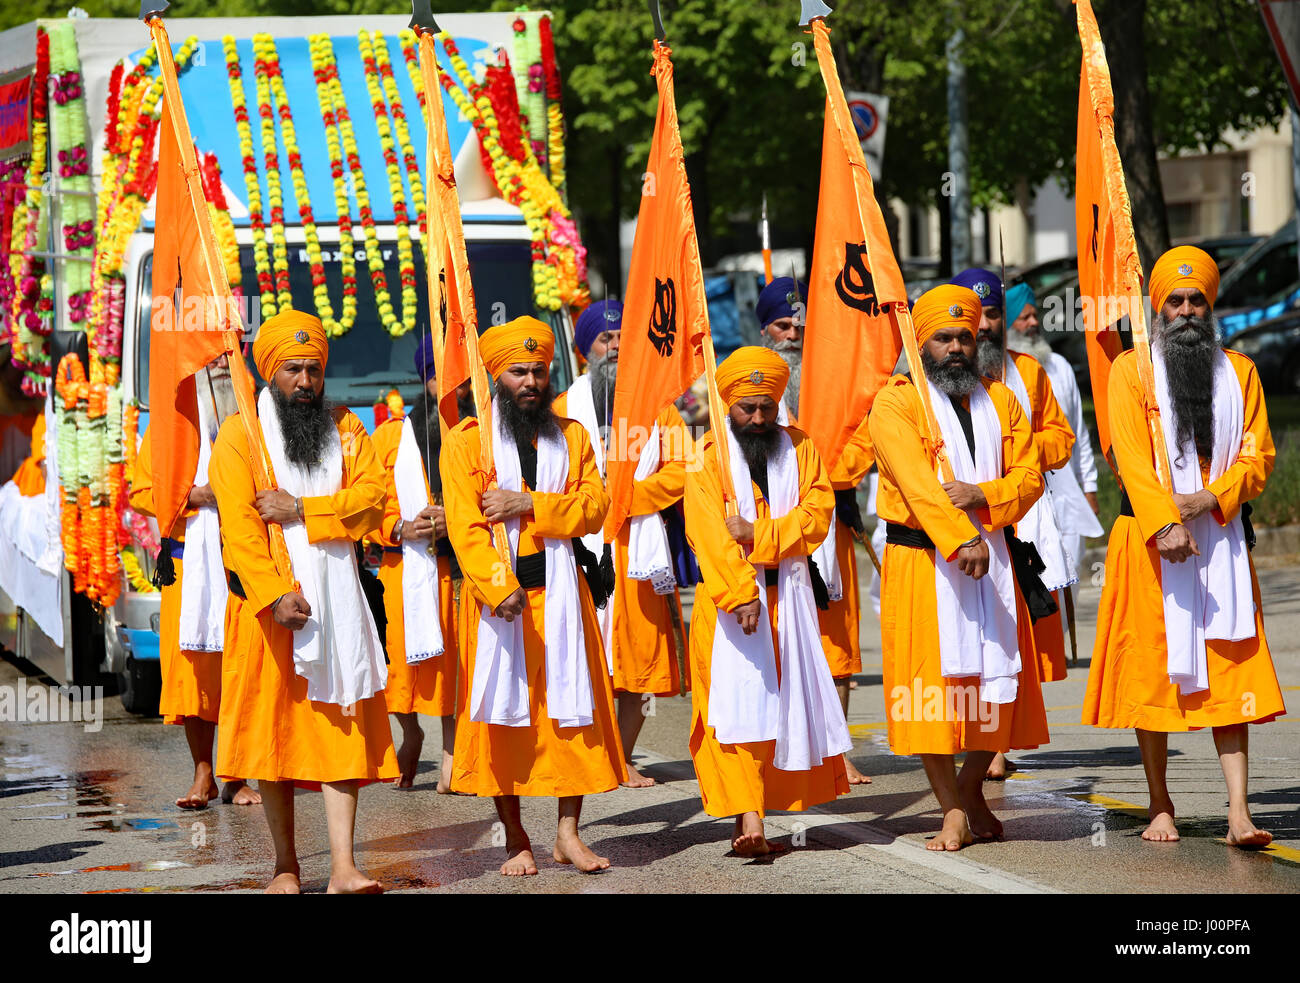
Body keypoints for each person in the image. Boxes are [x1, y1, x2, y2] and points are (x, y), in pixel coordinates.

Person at [1083, 245, 1285, 848]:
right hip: (1149, 545)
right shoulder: (1130, 371)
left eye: (1198, 300)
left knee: (1230, 670)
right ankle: (1160, 803)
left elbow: (1259, 455)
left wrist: (1209, 500)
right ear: (1158, 308)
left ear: (1211, 306)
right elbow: (1131, 459)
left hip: (1219, 539)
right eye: (1176, 300)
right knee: (1152, 672)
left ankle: (1239, 811)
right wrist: (1165, 521)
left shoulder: (1240, 372)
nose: (1188, 310)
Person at [209, 310, 397, 894]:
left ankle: (343, 867)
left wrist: (306, 512)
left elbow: (373, 500)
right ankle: (285, 866)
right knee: (276, 738)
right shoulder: (241, 436)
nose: (305, 381)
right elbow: (239, 532)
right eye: (292, 369)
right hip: (268, 615)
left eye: (314, 369)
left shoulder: (345, 427)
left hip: (336, 608)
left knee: (339, 731)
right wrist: (274, 595)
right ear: (269, 372)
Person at [442, 316, 625, 876]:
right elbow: (464, 526)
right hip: (502, 603)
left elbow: (595, 507)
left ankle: (568, 832)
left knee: (574, 721)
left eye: (539, 371)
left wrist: (530, 506)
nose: (530, 381)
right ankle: (516, 836)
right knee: (507, 721)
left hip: (564, 596)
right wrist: (499, 589)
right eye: (518, 371)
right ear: (496, 377)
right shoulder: (467, 442)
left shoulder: (571, 436)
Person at [869, 284, 1049, 850]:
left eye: (964, 338)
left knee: (998, 685)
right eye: (943, 339)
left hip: (992, 558)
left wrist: (982, 495)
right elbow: (917, 485)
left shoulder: (1002, 400)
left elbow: (1031, 475)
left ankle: (971, 785)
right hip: (925, 561)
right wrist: (956, 538)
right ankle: (950, 808)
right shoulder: (896, 402)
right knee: (934, 693)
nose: (955, 349)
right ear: (921, 344)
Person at [684, 346, 851, 857]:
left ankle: (761, 806)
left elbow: (818, 514)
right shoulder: (706, 456)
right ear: (726, 406)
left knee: (777, 707)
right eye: (746, 409)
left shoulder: (800, 448)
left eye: (767, 408)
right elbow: (707, 534)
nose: (758, 419)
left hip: (790, 599)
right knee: (731, 707)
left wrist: (760, 532)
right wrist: (739, 595)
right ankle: (748, 814)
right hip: (727, 602)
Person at [555, 299, 690, 788]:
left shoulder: (659, 407)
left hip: (639, 550)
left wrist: (630, 497)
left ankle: (623, 757)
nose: (614, 347)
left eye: (622, 340)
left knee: (637, 663)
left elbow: (681, 469)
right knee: (582, 657)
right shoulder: (560, 410)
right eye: (604, 339)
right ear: (584, 350)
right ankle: (591, 756)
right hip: (581, 552)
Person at [953, 267, 1078, 781]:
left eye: (993, 317)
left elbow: (1061, 441)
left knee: (1012, 633)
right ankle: (971, 738)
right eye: (975, 319)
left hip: (1021, 515)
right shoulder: (946, 379)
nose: (984, 328)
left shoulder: (1028, 372)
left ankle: (999, 741)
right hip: (962, 520)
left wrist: (1019, 446)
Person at [128, 353, 259, 809]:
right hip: (187, 569)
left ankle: (237, 776)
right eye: (213, 360)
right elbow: (141, 491)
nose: (223, 366)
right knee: (193, 678)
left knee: (241, 670)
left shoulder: (254, 418)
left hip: (245, 564)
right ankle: (203, 773)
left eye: (229, 357)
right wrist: (193, 496)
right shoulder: (170, 423)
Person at [371, 336, 459, 790]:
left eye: (457, 378)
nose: (447, 386)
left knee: (453, 664)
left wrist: (458, 519)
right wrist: (400, 528)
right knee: (400, 666)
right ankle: (409, 733)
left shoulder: (480, 437)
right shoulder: (388, 437)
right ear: (424, 378)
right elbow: (367, 504)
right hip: (401, 570)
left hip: (458, 570)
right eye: (438, 375)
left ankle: (450, 752)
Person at [1004, 281, 1102, 580]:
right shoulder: (999, 374)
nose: (1034, 323)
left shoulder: (1059, 366)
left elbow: (1078, 434)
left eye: (1035, 316)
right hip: (1022, 499)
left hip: (1067, 494)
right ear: (1007, 323)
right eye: (1024, 317)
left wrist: (1090, 488)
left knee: (1068, 579)